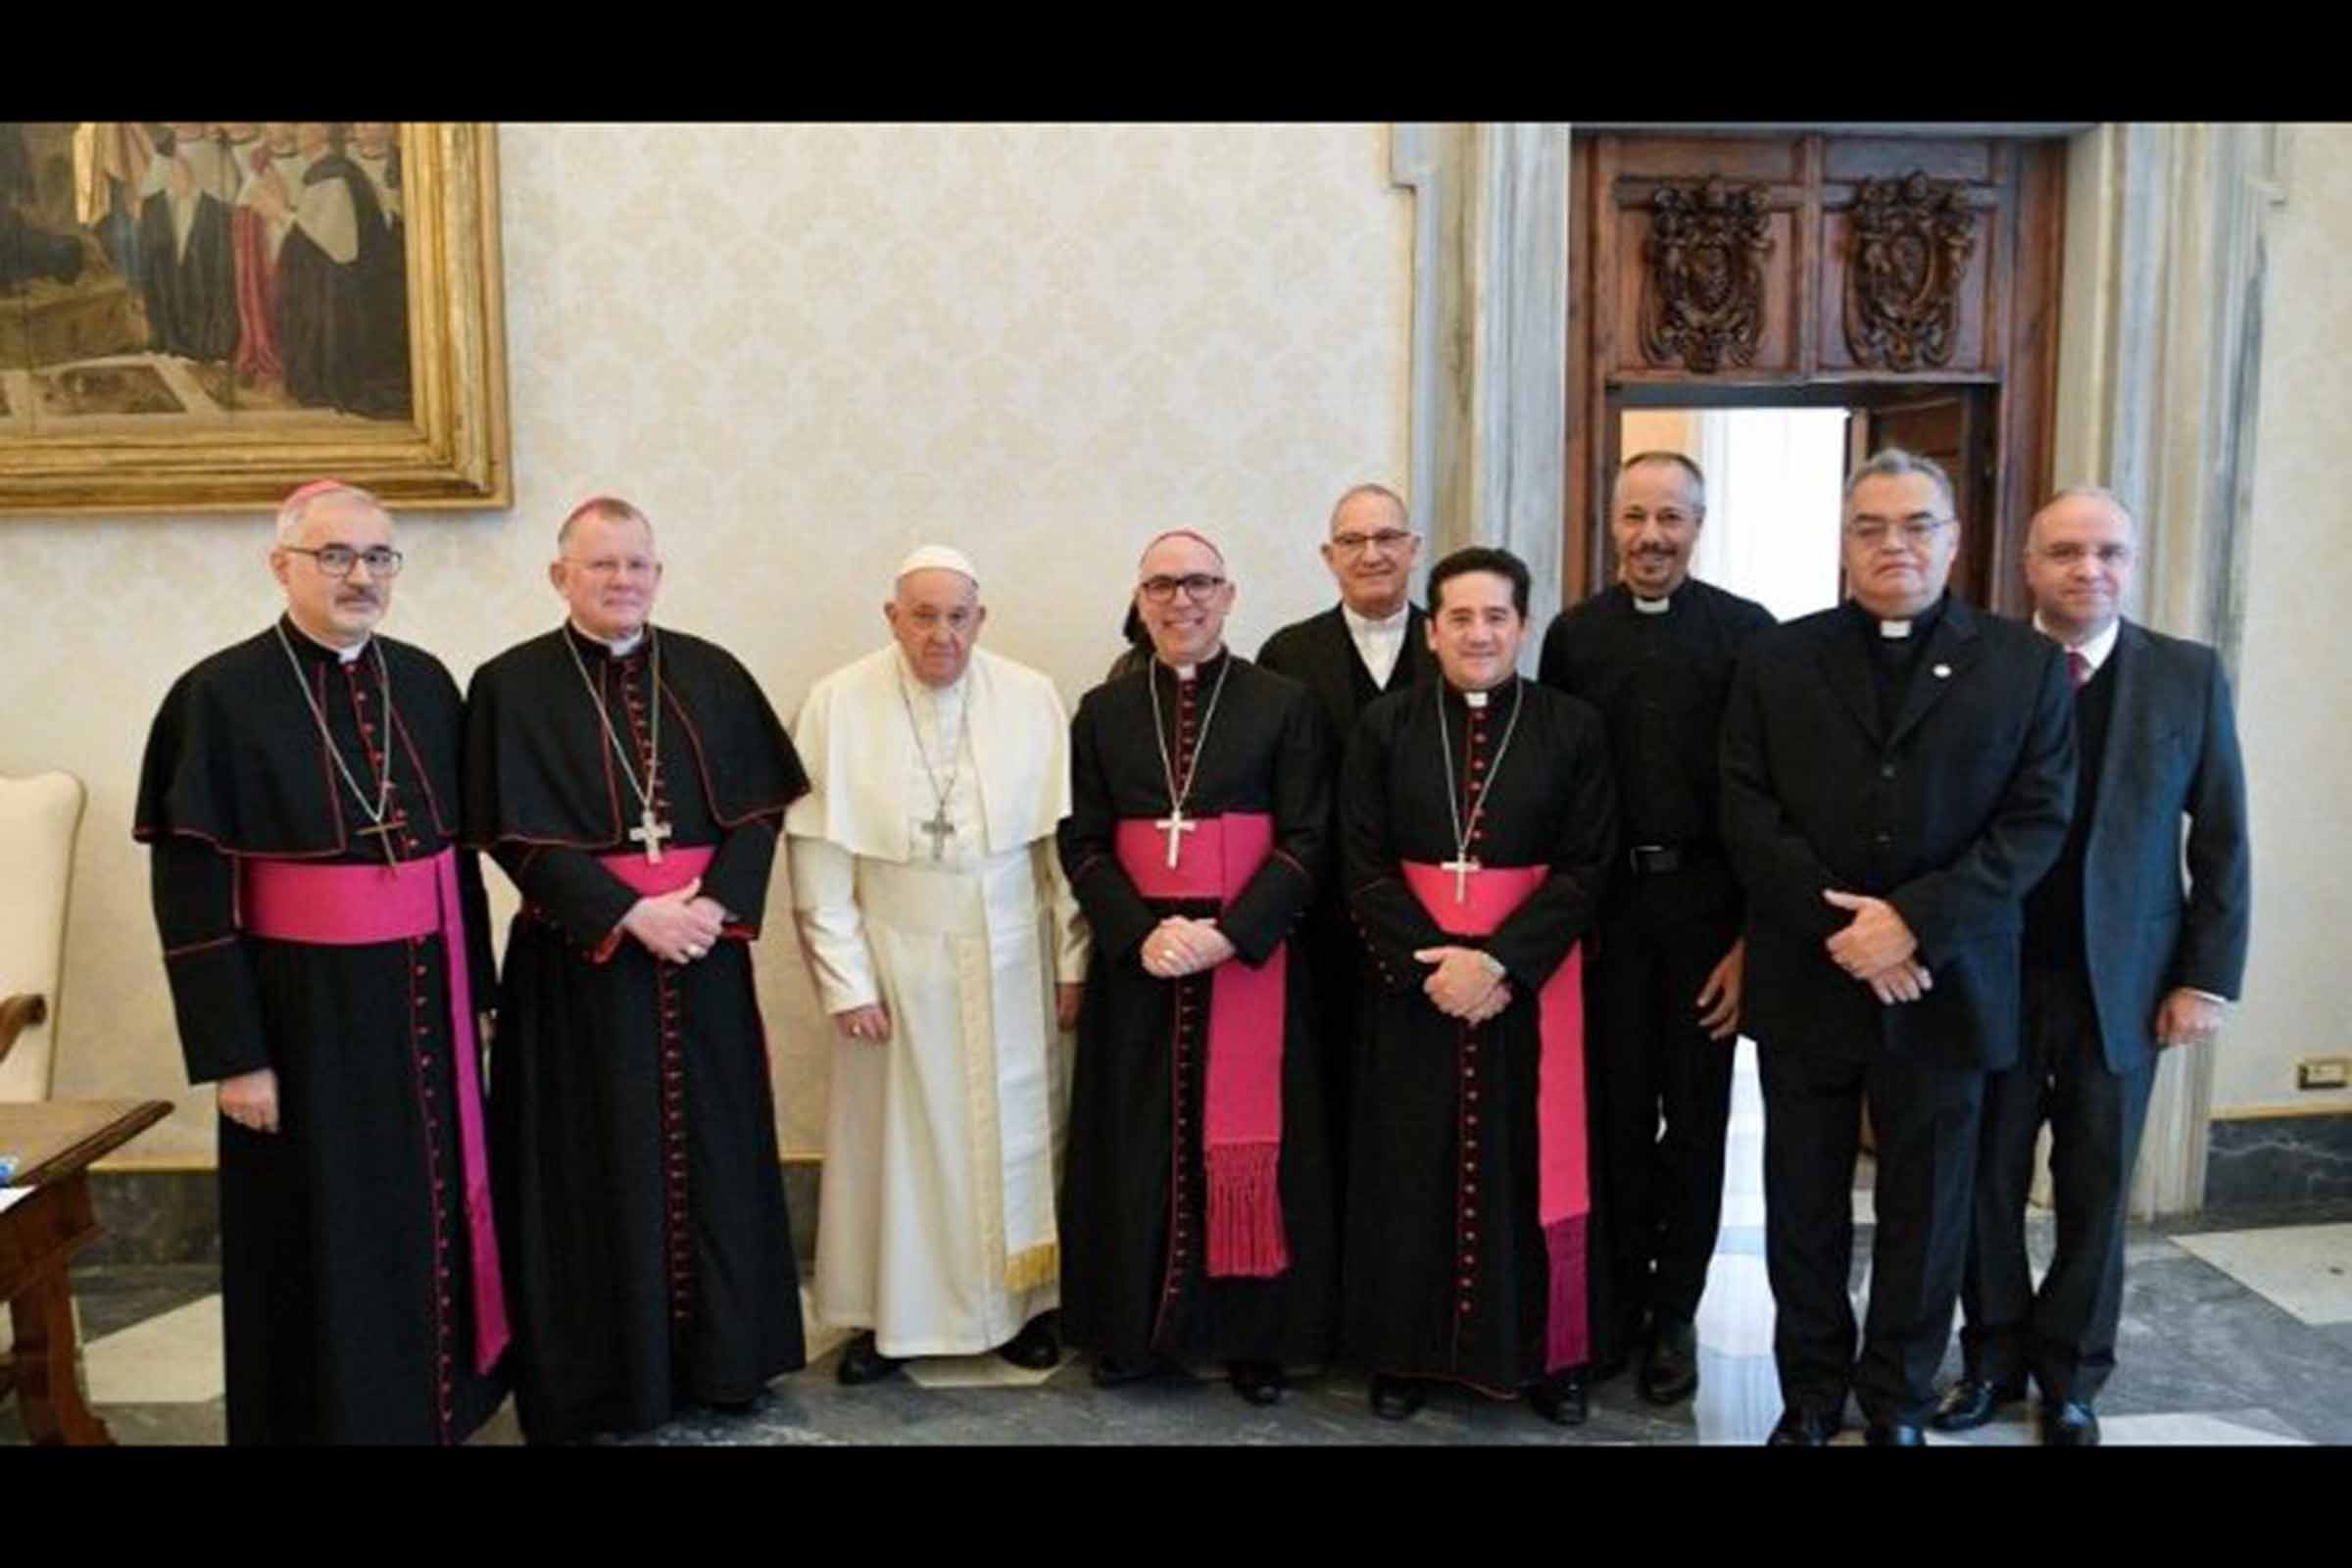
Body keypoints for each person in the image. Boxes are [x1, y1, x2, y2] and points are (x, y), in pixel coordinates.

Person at [134, 479, 507, 1444]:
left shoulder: (424, 681)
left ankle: (432, 1412)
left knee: (425, 1213)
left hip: (425, 1002)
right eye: (334, 555)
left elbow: (455, 860)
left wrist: (478, 993)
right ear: (282, 566)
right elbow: (191, 894)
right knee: (320, 1227)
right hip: (299, 1017)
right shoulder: (217, 696)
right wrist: (236, 1055)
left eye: (379, 557)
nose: (360, 577)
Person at [1720, 448, 2076, 1446]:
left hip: (1946, 979)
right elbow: (1745, 806)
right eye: (1870, 527)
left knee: (1930, 1209)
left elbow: (2036, 821)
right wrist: (1849, 931)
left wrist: (1913, 921)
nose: (1895, 546)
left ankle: (1899, 1401)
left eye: (1917, 525)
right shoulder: (1778, 658)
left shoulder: (2023, 664)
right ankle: (1810, 1393)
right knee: (1803, 1205)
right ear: (1844, 542)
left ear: (1954, 539)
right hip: (1811, 975)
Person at [465, 495, 808, 1443]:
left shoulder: (711, 672)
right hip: (578, 968)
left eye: (638, 564)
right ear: (560, 576)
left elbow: (759, 813)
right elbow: (512, 834)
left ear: (659, 574)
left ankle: (725, 1360)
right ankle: (605, 1379)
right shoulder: (511, 685)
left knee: (718, 1151)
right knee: (590, 1163)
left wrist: (712, 908)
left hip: (703, 954)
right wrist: (627, 914)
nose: (623, 581)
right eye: (602, 564)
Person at [1933, 487, 2251, 1446]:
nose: (2089, 569)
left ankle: (2071, 1378)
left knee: (2096, 1186)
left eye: (2109, 551)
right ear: (2029, 566)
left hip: (2126, 986)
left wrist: (2204, 978)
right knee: (1983, 1181)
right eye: (2066, 552)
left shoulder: (2186, 675)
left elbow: (2223, 837)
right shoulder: (1983, 666)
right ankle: (1991, 1360)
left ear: (2132, 562)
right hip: (1992, 974)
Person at [787, 545, 1089, 1382]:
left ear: (980, 619)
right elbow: (818, 858)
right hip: (892, 957)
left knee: (1016, 1138)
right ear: (893, 617)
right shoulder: (837, 702)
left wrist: (1072, 964)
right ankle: (889, 1319)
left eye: (958, 616)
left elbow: (1059, 852)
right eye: (923, 616)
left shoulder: (1029, 696)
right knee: (894, 1149)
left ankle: (1024, 1307)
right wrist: (846, 982)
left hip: (1009, 950)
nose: (941, 634)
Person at [1057, 528, 1337, 1404]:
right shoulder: (1102, 712)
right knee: (1132, 1142)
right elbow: (1082, 839)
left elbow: (1309, 837)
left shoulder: (1284, 704)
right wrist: (1138, 933)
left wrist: (1231, 934)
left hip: (1248, 961)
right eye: (1163, 586)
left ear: (1229, 596)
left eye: (1200, 584)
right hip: (1140, 965)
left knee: (1254, 1145)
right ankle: (1130, 1333)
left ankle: (1253, 1339)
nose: (1182, 601)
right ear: (1140, 601)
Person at [1342, 546, 1616, 1424]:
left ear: (1523, 627)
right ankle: (1404, 1354)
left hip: (1527, 988)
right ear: (1432, 632)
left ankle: (1547, 1355)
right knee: (1409, 1166)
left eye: (1496, 616)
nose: (1478, 634)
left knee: (1531, 1170)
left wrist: (1499, 963)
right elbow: (1361, 860)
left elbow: (1587, 865)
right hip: (1417, 988)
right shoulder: (1385, 726)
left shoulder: (1573, 728)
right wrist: (1436, 964)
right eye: (1459, 618)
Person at [1537, 452, 1775, 1401]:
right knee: (1613, 1122)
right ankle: (1615, 1307)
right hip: (1605, 920)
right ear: (1612, 523)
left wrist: (1750, 942)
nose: (1651, 536)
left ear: (1698, 526)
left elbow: (1763, 796)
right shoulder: (1574, 636)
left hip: (1708, 922)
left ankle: (1677, 1312)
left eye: (1670, 517)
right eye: (1635, 516)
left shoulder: (1748, 635)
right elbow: (1557, 783)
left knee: (1698, 1127)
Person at [1256, 482, 1435, 1244]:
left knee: (1411, 1110)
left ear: (1413, 550)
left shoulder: (1454, 642)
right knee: (1321, 1103)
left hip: (1426, 924)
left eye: (1387, 538)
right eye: (1353, 541)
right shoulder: (1287, 655)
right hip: (1318, 923)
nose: (1372, 554)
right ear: (1328, 557)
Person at [250, 122, 408, 417]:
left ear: (324, 131)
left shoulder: (335, 175)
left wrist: (279, 211)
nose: (295, 131)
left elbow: (332, 244)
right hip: (338, 285)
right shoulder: (326, 171)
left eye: (303, 126)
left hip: (347, 293)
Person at [136, 122, 238, 362]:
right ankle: (170, 336)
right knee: (169, 276)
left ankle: (204, 342)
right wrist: (170, 193)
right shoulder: (164, 152)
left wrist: (192, 192)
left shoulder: (216, 153)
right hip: (171, 230)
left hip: (202, 234)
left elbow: (228, 204)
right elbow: (149, 199)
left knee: (202, 280)